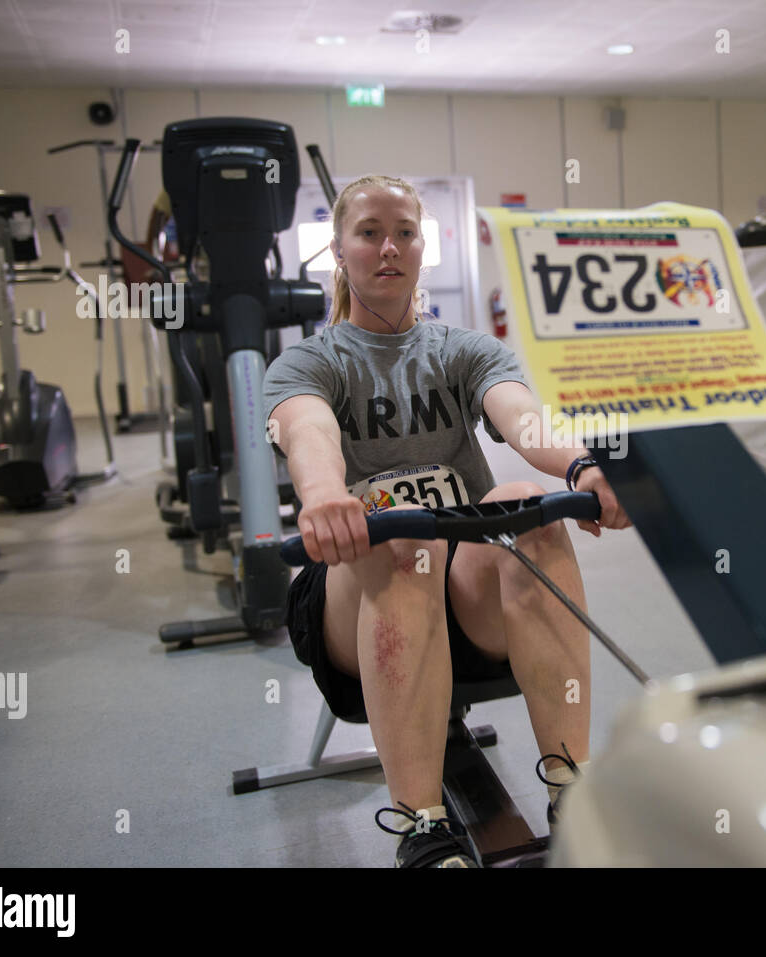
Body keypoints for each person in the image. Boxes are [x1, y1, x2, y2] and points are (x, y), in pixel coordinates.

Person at [262, 174, 631, 868]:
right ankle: (421, 827)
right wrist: (322, 494)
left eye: (404, 232)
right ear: (340, 250)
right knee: (404, 534)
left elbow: (520, 415)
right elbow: (307, 432)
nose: (389, 247)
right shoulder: (308, 362)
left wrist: (582, 465)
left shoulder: (460, 349)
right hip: (357, 597)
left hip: (463, 599)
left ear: (422, 246)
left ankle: (572, 784)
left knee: (524, 502)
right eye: (370, 232)